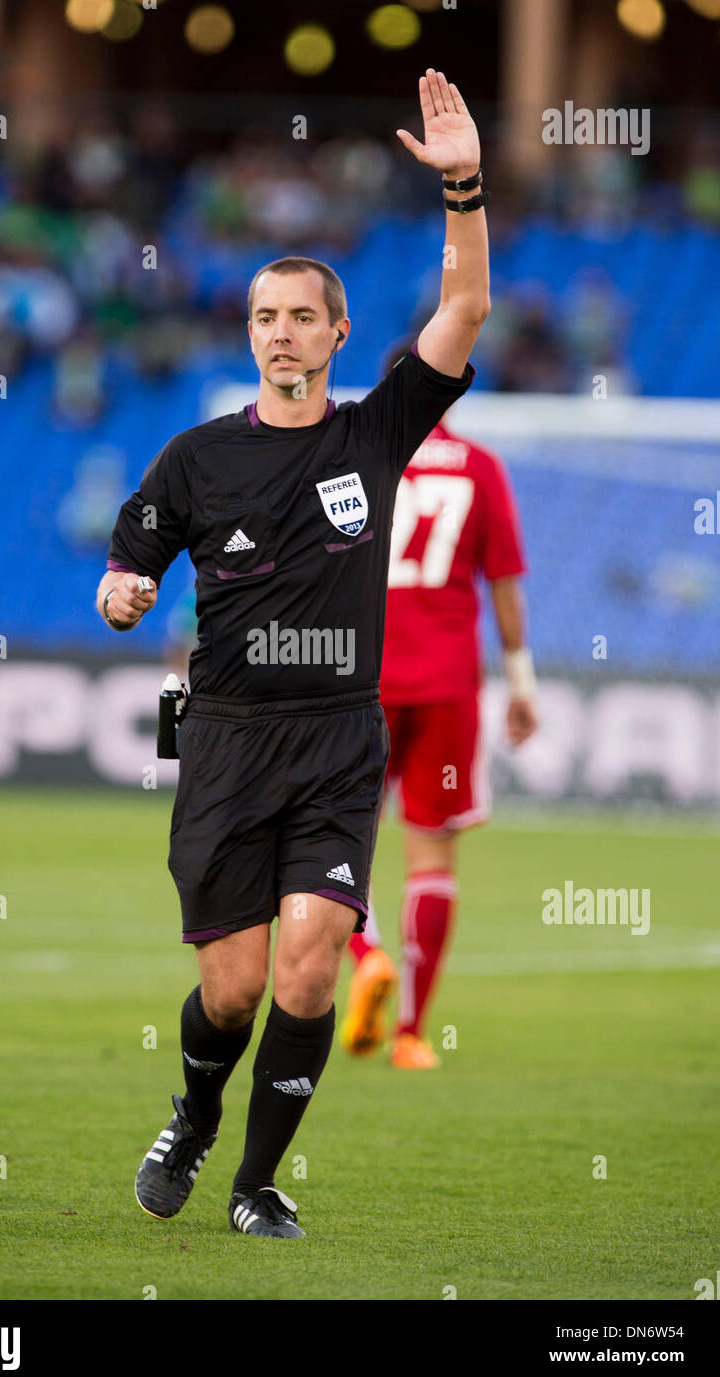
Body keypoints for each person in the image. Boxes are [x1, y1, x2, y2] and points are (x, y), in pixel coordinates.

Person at [97, 71, 490, 1239]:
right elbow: (133, 563)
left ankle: (256, 1184)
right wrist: (122, 593)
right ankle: (195, 1111)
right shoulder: (193, 458)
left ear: (337, 332)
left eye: (301, 316)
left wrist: (463, 184)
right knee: (229, 989)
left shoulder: (375, 431)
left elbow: (464, 311)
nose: (282, 333)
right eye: (265, 316)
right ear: (250, 332)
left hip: (334, 737)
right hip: (221, 738)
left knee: (311, 967)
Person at [341, 362, 538, 1068]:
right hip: (448, 684)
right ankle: (412, 1035)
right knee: (431, 854)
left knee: (335, 841)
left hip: (358, 678)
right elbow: (505, 582)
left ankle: (365, 956)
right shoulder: (480, 468)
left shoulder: (356, 459)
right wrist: (521, 682)